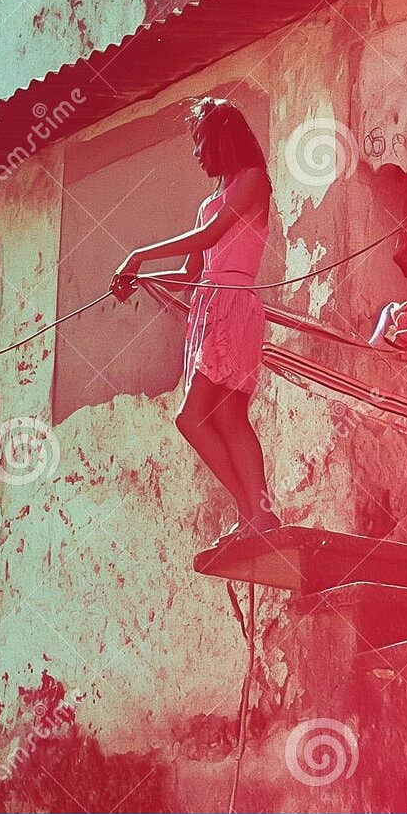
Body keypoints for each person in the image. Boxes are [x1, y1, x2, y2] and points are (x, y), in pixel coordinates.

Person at [111, 97, 279, 544]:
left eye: (201, 142)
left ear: (223, 139)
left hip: (233, 304)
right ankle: (256, 517)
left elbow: (209, 238)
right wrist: (139, 278)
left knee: (194, 417)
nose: (196, 153)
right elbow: (190, 275)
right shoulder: (210, 200)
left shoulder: (253, 181)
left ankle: (254, 514)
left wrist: (138, 255)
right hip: (209, 308)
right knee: (224, 418)